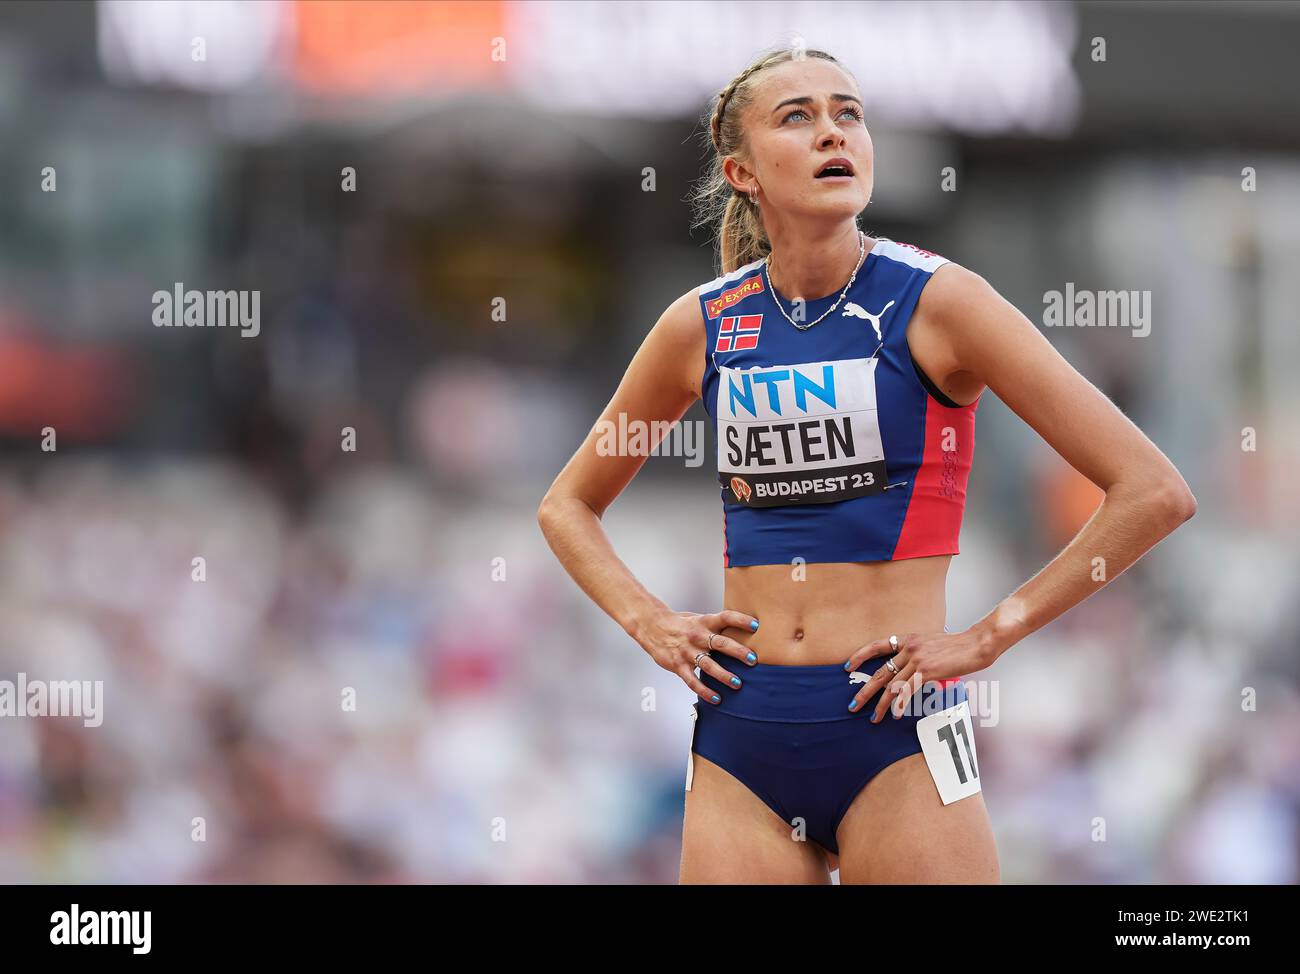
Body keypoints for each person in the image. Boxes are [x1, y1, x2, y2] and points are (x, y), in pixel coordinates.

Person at [537, 46, 1196, 884]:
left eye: (848, 113)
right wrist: (650, 622)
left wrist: (993, 634)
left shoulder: (940, 302)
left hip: (899, 732)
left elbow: (1153, 491)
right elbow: (566, 506)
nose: (832, 132)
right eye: (798, 117)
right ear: (742, 171)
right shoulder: (700, 326)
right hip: (745, 737)